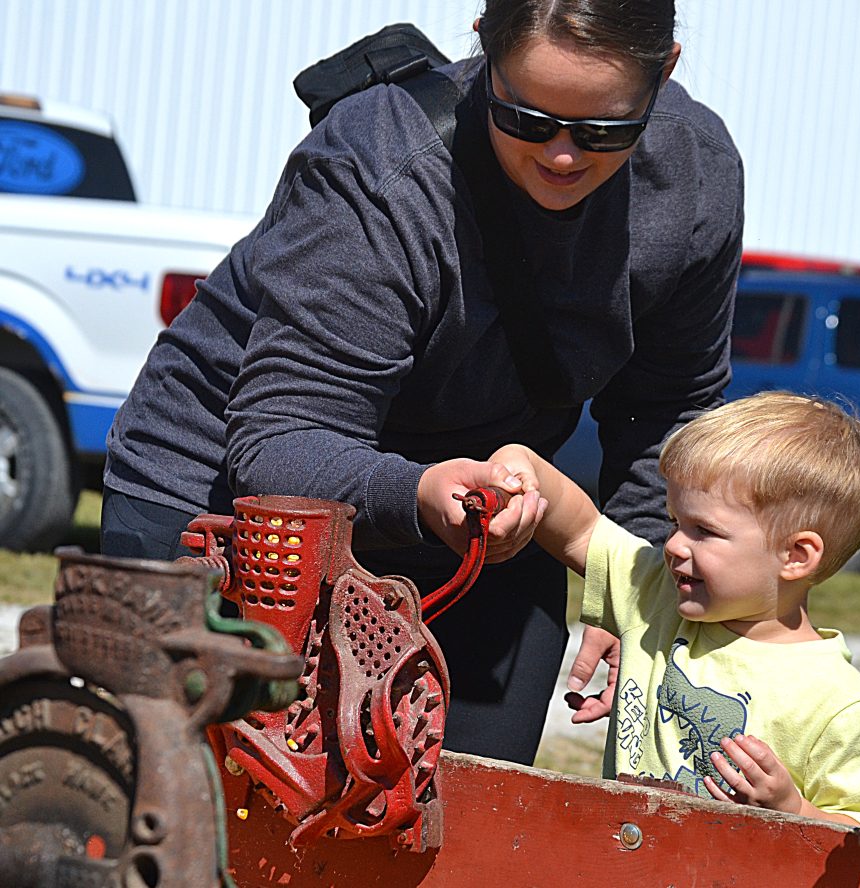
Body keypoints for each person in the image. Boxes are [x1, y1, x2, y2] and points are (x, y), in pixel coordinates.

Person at [100, 0, 744, 766]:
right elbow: (279, 437)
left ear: (663, 73)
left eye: (605, 130)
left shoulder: (695, 175)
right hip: (234, 490)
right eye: (529, 120)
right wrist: (421, 493)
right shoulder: (383, 166)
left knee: (466, 810)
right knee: (214, 809)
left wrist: (631, 570)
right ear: (483, 48)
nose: (565, 156)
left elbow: (671, 403)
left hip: (481, 515)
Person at [489, 391, 860, 824]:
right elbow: (579, 529)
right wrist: (521, 465)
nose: (674, 544)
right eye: (674, 521)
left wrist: (793, 809)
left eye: (704, 530)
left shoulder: (840, 702)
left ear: (796, 555)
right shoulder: (654, 596)